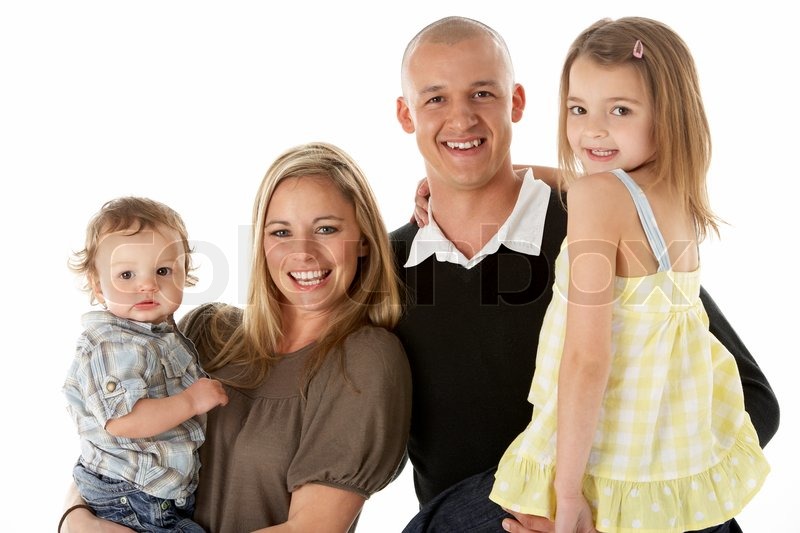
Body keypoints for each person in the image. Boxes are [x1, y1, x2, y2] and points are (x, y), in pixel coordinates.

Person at [390, 15, 779, 533]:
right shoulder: (385, 263)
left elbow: (754, 400)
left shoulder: (591, 221)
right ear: (406, 114)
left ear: (517, 102)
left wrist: (610, 509)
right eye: (435, 99)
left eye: (483, 93)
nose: (461, 120)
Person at [60, 142, 413, 533]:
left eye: (326, 229)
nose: (303, 253)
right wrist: (75, 520)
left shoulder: (364, 361)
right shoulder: (204, 333)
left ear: (363, 239)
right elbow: (113, 451)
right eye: (281, 232)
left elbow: (311, 528)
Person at [62, 196, 230, 532]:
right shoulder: (114, 344)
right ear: (98, 285)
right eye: (126, 274)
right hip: (131, 496)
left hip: (152, 492)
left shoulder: (159, 335)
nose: (148, 284)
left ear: (185, 274)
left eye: (163, 271)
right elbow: (124, 420)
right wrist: (191, 402)